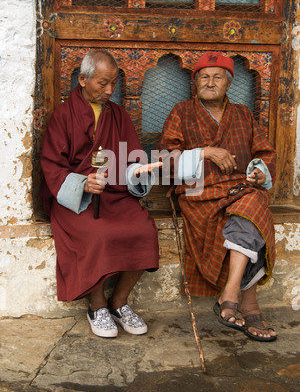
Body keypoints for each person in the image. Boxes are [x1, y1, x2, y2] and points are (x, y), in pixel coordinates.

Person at [41, 50, 161, 338]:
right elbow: (52, 166)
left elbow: (131, 159)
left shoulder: (118, 115)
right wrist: (82, 184)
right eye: (102, 84)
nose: (109, 91)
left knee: (144, 230)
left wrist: (138, 172)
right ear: (82, 79)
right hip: (75, 200)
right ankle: (97, 305)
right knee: (97, 235)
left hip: (114, 194)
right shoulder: (62, 116)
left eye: (113, 84)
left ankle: (119, 302)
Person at [159, 51, 277, 342]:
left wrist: (260, 173)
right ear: (195, 82)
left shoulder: (243, 114)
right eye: (204, 77)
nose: (210, 82)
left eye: (217, 77)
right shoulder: (181, 111)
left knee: (251, 205)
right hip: (199, 194)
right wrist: (204, 152)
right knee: (249, 216)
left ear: (228, 83)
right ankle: (249, 307)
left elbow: (264, 154)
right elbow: (164, 161)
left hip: (240, 189)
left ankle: (229, 295)